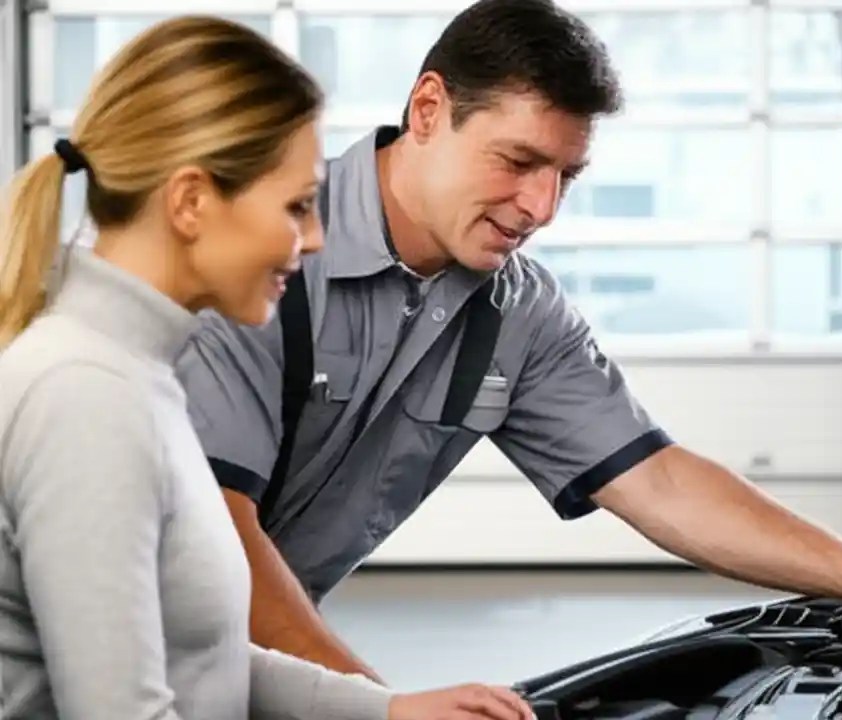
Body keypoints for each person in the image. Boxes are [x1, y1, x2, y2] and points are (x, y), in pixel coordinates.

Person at [177, 0, 842, 683]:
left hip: (251, 663)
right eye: (517, 163)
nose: (542, 209)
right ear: (430, 108)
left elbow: (662, 480)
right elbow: (216, 535)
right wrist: (373, 703)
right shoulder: (268, 244)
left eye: (567, 176)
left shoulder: (515, 311)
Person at [0, 14, 535, 720]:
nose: (315, 240)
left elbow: (201, 651)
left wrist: (391, 711)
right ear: (191, 202)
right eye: (298, 206)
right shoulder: (86, 398)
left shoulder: (139, 377)